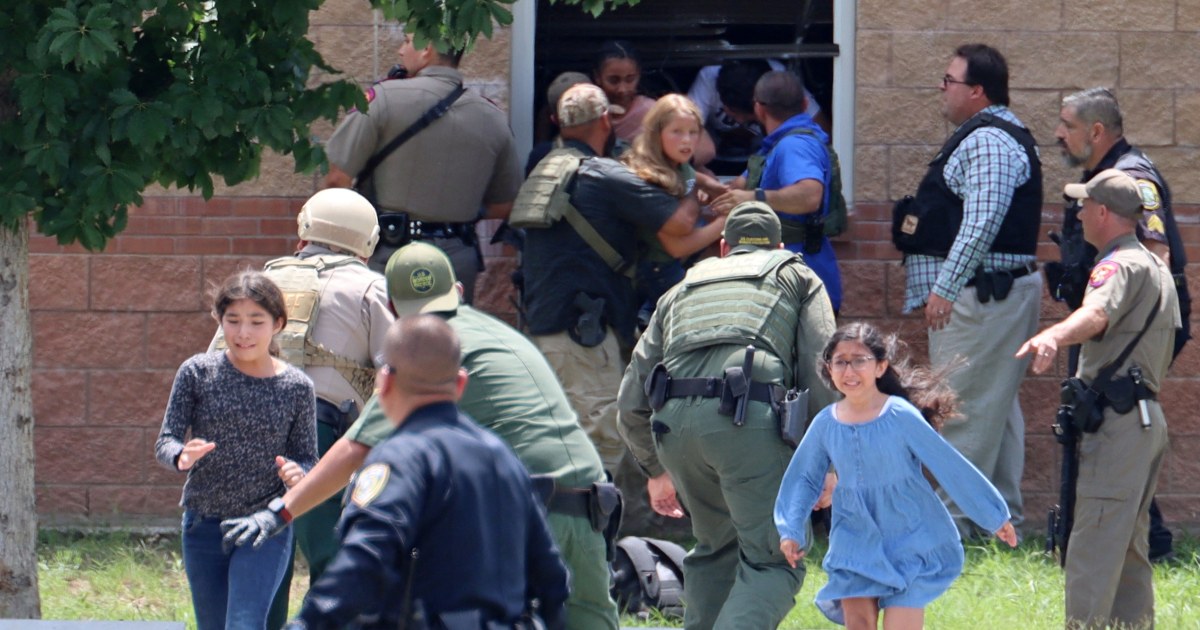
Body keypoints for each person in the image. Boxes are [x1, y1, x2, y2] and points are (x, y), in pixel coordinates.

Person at [222, 242, 621, 630]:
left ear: (392, 308)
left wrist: (281, 511)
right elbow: (551, 577)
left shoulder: (425, 352)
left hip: (512, 515)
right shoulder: (502, 340)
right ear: (459, 291)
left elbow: (357, 457)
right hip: (586, 499)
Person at [617, 201, 838, 629]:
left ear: (723, 247)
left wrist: (655, 467)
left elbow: (631, 397)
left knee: (715, 550)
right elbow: (822, 367)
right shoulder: (796, 274)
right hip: (749, 426)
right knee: (775, 559)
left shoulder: (681, 288)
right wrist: (828, 460)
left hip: (675, 432)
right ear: (778, 245)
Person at [284, 315, 571, 629]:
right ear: (460, 383)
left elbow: (366, 558)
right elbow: (552, 578)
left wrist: (308, 622)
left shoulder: (399, 457)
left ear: (385, 382)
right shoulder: (502, 457)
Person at [208, 188, 392, 628]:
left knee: (259, 558)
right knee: (336, 561)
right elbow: (397, 375)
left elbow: (213, 366)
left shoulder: (260, 285)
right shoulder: (371, 287)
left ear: (305, 230)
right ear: (366, 241)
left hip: (242, 431)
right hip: (322, 433)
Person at [891, 44, 1043, 536]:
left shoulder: (990, 141)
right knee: (996, 408)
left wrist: (946, 286)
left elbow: (982, 221)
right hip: (986, 294)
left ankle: (957, 527)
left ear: (976, 91)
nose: (941, 87)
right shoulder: (983, 136)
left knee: (961, 410)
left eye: (948, 80)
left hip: (981, 296)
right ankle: (1003, 521)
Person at [518, 83, 709, 475]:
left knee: (572, 429)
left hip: (548, 321)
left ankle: (623, 525)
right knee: (601, 433)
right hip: (582, 331)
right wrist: (694, 188)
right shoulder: (602, 174)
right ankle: (596, 532)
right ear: (606, 120)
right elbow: (679, 223)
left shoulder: (550, 167)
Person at [1016, 169, 1178, 629]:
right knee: (1127, 546)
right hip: (1145, 419)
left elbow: (1096, 313)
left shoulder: (1118, 265)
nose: (1079, 213)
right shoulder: (1155, 266)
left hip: (1119, 422)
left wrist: (1053, 335)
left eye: (1083, 205)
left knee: (1092, 544)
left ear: (1104, 212)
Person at [775, 322, 1017, 629]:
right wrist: (791, 529)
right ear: (829, 369)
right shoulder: (825, 423)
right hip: (854, 537)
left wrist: (993, 514)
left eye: (860, 360)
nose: (850, 371)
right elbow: (804, 477)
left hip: (910, 534)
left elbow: (948, 465)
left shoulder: (900, 415)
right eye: (840, 362)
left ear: (880, 366)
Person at [1049, 87, 1191, 562]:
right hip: (1108, 323)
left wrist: (1112, 320)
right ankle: (1133, 541)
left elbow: (1154, 257)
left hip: (1125, 332)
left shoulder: (1132, 179)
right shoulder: (1102, 178)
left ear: (1095, 131)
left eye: (1067, 125)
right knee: (1103, 430)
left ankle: (1140, 543)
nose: (1058, 134)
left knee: (1113, 426)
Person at [155, 270, 317, 630]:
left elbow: (308, 458)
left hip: (265, 528)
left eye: (256, 321)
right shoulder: (196, 373)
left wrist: (297, 472)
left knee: (244, 624)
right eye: (234, 321)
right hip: (203, 524)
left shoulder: (296, 387)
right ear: (219, 320)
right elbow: (165, 441)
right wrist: (181, 456)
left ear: (278, 323)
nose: (244, 333)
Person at [323, 30, 523, 297]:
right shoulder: (493, 117)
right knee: (446, 336)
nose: (400, 51)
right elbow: (505, 205)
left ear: (427, 48)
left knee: (384, 335)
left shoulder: (383, 99)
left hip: (391, 252)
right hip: (457, 258)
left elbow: (337, 179)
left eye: (407, 41)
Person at [709, 70, 844, 312]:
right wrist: (701, 185)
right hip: (785, 278)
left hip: (799, 283)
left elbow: (809, 195)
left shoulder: (795, 146)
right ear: (804, 104)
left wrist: (754, 198)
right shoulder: (777, 145)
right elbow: (740, 187)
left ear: (759, 109)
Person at [621, 94, 729, 324]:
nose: (686, 141)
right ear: (656, 133)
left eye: (693, 132)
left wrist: (712, 186)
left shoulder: (673, 164)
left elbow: (691, 175)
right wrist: (725, 221)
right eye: (676, 131)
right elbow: (677, 247)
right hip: (658, 269)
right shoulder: (651, 177)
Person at [592, 40, 657, 142]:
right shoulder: (588, 115)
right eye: (613, 80)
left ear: (639, 75)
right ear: (598, 77)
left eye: (630, 79)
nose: (622, 89)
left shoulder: (652, 112)